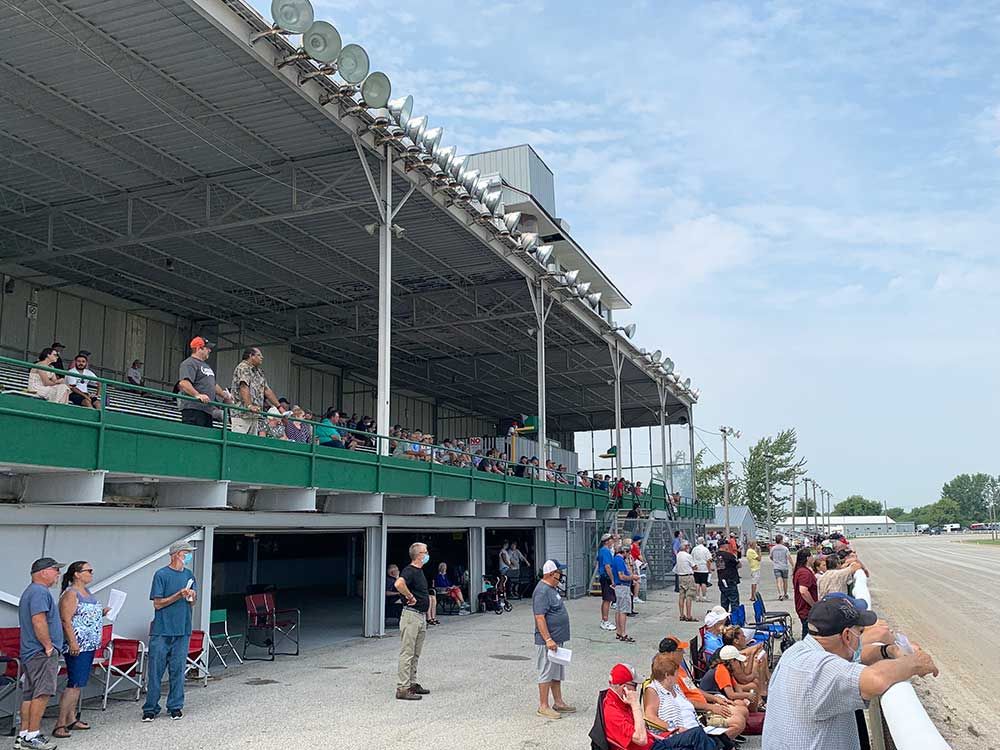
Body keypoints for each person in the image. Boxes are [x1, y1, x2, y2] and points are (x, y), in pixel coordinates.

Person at [762, 597, 939, 750]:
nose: (860, 639)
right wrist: (916, 662)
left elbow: (855, 661)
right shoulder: (819, 669)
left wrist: (888, 651)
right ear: (847, 636)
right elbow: (876, 679)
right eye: (859, 633)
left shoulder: (798, 652)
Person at [142, 541, 197, 722]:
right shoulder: (161, 575)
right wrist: (177, 595)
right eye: (186, 553)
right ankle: (150, 708)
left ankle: (175, 706)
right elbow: (157, 603)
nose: (188, 556)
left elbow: (192, 602)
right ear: (177, 554)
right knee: (155, 671)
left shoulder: (189, 575)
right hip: (162, 630)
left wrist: (191, 597)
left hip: (182, 629)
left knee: (178, 670)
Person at [602, 663, 716, 750]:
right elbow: (641, 739)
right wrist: (635, 705)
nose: (636, 690)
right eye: (635, 685)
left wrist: (669, 732)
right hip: (651, 747)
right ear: (624, 688)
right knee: (698, 737)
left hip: (655, 741)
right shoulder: (613, 712)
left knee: (697, 734)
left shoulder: (617, 700)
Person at [54, 561, 109, 739]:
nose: (91, 574)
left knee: (79, 684)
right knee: (74, 684)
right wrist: (73, 642)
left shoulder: (87, 592)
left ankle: (71, 718)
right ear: (77, 574)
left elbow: (84, 615)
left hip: (89, 644)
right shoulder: (71, 594)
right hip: (78, 645)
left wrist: (102, 613)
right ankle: (60, 723)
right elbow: (66, 620)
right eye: (89, 571)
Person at [658, 636, 748, 741]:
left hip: (704, 705)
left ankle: (726, 739)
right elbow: (683, 702)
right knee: (738, 722)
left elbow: (693, 688)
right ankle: (716, 743)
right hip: (699, 713)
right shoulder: (668, 676)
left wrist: (714, 699)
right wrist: (710, 707)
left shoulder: (679, 668)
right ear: (671, 654)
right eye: (680, 650)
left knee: (742, 710)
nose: (683, 653)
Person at [17, 557, 65, 750]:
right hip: (40, 653)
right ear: (43, 572)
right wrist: (48, 647)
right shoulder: (39, 592)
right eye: (55, 569)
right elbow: (39, 620)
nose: (58, 574)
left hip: (30, 652)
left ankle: (23, 735)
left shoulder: (31, 591)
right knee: (42, 693)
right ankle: (33, 736)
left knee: (29, 694)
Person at [643, 653, 735, 748]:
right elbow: (650, 717)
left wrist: (711, 706)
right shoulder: (653, 690)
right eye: (676, 673)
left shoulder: (675, 687)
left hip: (696, 731)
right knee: (705, 738)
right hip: (676, 735)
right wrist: (673, 728)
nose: (678, 676)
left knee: (722, 739)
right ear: (667, 675)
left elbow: (686, 702)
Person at [532, 560, 575, 719]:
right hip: (548, 641)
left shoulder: (551, 589)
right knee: (546, 672)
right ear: (551, 574)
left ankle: (559, 702)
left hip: (558, 639)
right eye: (559, 572)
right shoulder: (542, 591)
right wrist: (548, 639)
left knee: (556, 672)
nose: (561, 574)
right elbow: (540, 617)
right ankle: (543, 706)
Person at [393, 542, 432, 700]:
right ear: (419, 555)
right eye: (425, 551)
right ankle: (402, 687)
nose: (427, 554)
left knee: (415, 653)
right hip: (411, 616)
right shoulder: (410, 571)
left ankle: (412, 683)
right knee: (407, 653)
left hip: (420, 616)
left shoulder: (419, 571)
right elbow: (399, 583)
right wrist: (410, 596)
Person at [176, 337, 231, 427]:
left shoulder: (206, 366)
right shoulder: (189, 363)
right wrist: (197, 395)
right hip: (193, 408)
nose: (209, 350)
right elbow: (184, 383)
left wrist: (224, 395)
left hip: (207, 409)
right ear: (198, 348)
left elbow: (213, 384)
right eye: (207, 348)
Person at [230, 347, 282, 435]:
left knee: (251, 443)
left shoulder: (259, 372)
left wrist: (279, 407)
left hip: (254, 414)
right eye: (259, 355)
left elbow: (266, 390)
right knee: (239, 442)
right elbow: (243, 386)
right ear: (251, 356)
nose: (262, 357)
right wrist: (249, 405)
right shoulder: (243, 367)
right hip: (241, 414)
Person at [699, 646, 763, 711]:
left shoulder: (727, 669)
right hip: (710, 697)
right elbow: (731, 695)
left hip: (718, 694)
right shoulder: (722, 671)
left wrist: (745, 697)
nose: (739, 663)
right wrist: (746, 695)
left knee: (744, 700)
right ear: (732, 661)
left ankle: (754, 713)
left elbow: (737, 687)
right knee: (741, 704)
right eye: (738, 661)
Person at [721, 626, 771, 695]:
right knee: (757, 667)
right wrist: (754, 671)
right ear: (736, 641)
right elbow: (744, 679)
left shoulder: (733, 653)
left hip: (737, 682)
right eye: (743, 636)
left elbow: (746, 672)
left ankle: (767, 685)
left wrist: (752, 654)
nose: (745, 637)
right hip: (732, 686)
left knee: (760, 658)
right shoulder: (733, 659)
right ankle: (763, 692)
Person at [612, 544, 636, 643]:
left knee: (618, 610)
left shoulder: (615, 560)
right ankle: (623, 633)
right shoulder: (620, 561)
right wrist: (633, 577)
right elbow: (621, 576)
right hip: (623, 586)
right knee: (623, 611)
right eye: (628, 553)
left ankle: (618, 632)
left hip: (618, 587)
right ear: (624, 552)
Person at [792, 548, 817, 640]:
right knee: (808, 635)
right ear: (807, 558)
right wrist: (814, 605)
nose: (813, 558)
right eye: (811, 556)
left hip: (803, 608)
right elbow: (803, 591)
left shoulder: (800, 570)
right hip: (806, 609)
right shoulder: (804, 573)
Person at [597, 533, 616, 631]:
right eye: (612, 540)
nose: (613, 542)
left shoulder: (602, 550)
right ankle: (605, 620)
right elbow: (607, 566)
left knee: (606, 599)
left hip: (604, 576)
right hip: (606, 577)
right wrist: (612, 579)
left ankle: (605, 620)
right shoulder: (605, 551)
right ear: (607, 541)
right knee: (607, 600)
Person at [714, 543, 740, 612]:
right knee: (734, 600)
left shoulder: (716, 555)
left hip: (721, 580)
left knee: (724, 601)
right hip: (730, 579)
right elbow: (738, 564)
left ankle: (724, 618)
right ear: (724, 546)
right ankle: (735, 619)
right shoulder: (729, 555)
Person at [674, 540, 696, 622]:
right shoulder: (688, 556)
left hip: (680, 576)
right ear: (686, 547)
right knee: (689, 596)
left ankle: (681, 614)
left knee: (681, 596)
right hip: (688, 576)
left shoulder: (678, 555)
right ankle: (689, 615)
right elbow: (694, 566)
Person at [690, 537, 713, 602]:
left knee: (697, 582)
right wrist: (709, 569)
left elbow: (691, 558)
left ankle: (697, 596)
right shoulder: (705, 549)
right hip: (704, 568)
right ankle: (704, 597)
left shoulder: (694, 549)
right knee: (703, 583)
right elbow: (709, 560)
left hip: (696, 568)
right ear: (703, 542)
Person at [769, 534, 790, 601]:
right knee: (785, 581)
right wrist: (793, 565)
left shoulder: (773, 548)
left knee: (778, 581)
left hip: (776, 566)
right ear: (781, 540)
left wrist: (774, 560)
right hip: (784, 566)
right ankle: (785, 593)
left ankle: (780, 594)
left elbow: (771, 556)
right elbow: (788, 557)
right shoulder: (785, 548)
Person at [629, 534, 646, 604]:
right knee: (638, 580)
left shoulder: (632, 546)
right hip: (635, 563)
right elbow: (639, 556)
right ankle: (635, 597)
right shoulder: (635, 547)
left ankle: (634, 596)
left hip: (633, 563)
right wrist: (644, 562)